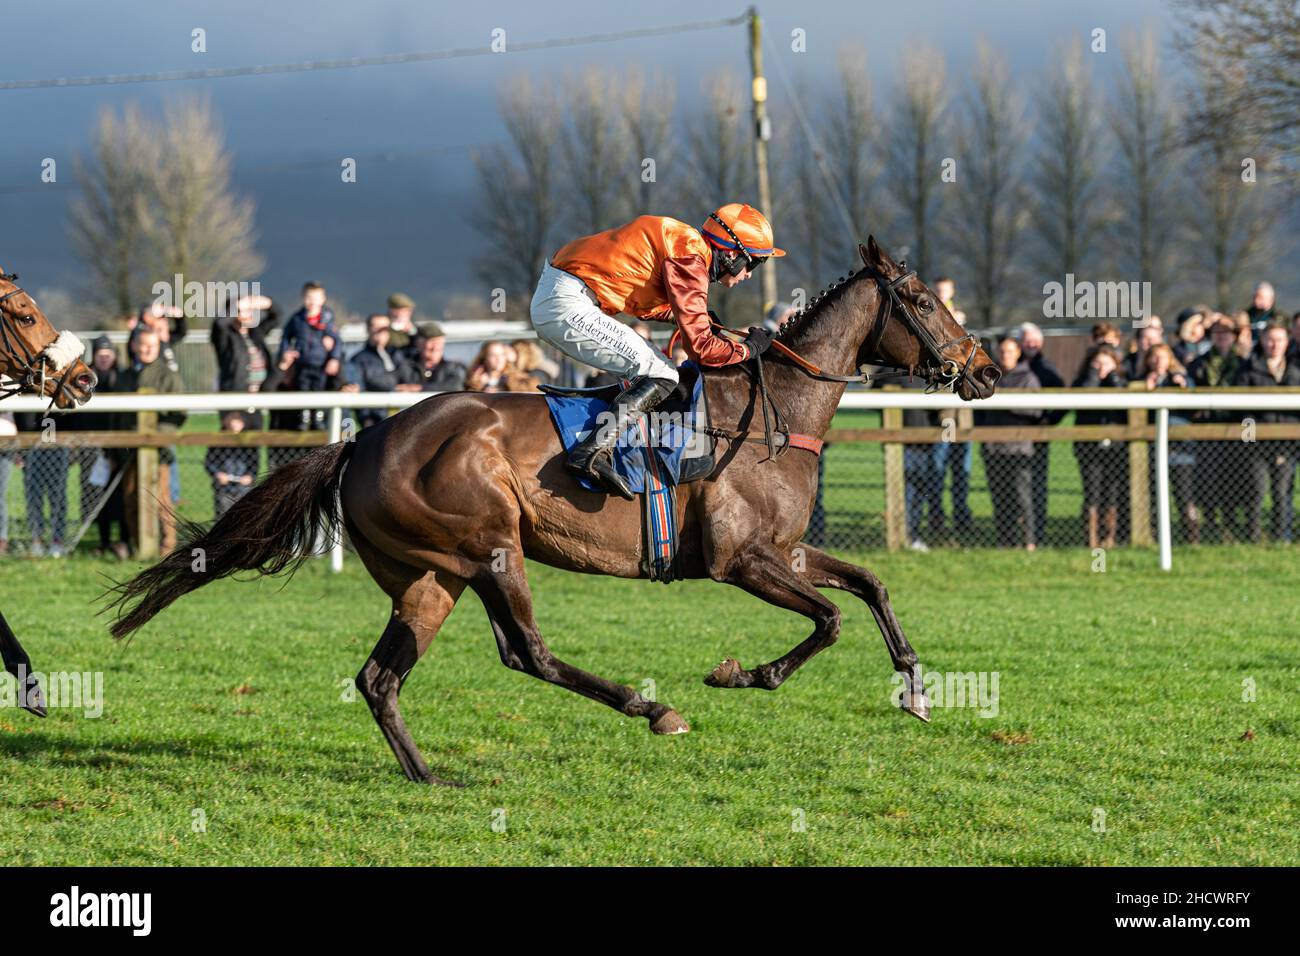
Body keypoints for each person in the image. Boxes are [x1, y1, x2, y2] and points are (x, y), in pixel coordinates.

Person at [530, 204, 781, 498]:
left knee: (659, 370)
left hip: (565, 296)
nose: (750, 274)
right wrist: (749, 349)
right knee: (662, 373)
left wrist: (696, 318)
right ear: (731, 254)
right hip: (568, 303)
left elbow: (643, 304)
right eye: (753, 263)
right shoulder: (689, 254)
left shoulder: (685, 244)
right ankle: (591, 453)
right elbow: (703, 350)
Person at [119, 329, 186, 555]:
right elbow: (117, 416)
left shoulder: (168, 376)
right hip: (129, 450)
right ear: (135, 346)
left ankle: (167, 547)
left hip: (159, 450)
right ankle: (141, 546)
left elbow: (179, 413)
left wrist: (157, 436)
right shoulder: (125, 376)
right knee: (130, 498)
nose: (147, 349)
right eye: (143, 345)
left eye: (152, 346)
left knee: (161, 501)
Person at [1233, 324, 1300, 542]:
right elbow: (1242, 408)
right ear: (1262, 341)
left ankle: (1282, 537)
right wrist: (1249, 439)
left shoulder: (1295, 368)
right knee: (1256, 491)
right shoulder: (1249, 368)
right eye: (1270, 339)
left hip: (1288, 442)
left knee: (1283, 492)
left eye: (1279, 340)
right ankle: (1252, 536)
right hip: (1257, 442)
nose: (1274, 345)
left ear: (1287, 342)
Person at [976, 337, 1043, 550]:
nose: (1006, 355)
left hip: (1019, 449)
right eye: (1003, 351)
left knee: (1023, 498)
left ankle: (1029, 541)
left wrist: (1005, 403)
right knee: (1000, 498)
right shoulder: (990, 376)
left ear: (1018, 353)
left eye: (1010, 351)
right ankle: (1005, 541)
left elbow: (1035, 410)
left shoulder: (1028, 378)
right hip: (994, 448)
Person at [1190, 315, 1247, 541]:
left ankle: (1230, 519)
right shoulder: (1200, 362)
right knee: (1207, 476)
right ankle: (1210, 520)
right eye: (1217, 334)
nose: (1222, 338)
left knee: (1232, 475)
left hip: (1234, 427)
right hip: (1207, 427)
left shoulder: (1243, 362)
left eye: (1226, 334)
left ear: (1233, 338)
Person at [1072, 343, 1128, 549]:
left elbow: (1125, 408)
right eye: (1097, 363)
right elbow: (1081, 401)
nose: (1101, 367)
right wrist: (1093, 378)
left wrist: (1114, 380)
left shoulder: (1121, 382)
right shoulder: (1083, 381)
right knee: (1092, 492)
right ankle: (1092, 538)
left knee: (1112, 492)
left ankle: (1109, 537)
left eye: (1106, 363)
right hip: (1089, 447)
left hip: (1115, 446)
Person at [1141, 343, 1198, 543]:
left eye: (1163, 357)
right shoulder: (1142, 381)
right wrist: (1144, 390)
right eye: (1154, 357)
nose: (1158, 362)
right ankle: (1153, 536)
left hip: (1180, 447)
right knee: (1154, 497)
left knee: (1185, 496)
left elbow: (1195, 405)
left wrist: (1184, 387)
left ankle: (1192, 537)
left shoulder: (1180, 378)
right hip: (1151, 447)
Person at [1018, 323, 1064, 545]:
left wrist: (1048, 422)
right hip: (1010, 437)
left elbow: (1064, 400)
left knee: (1036, 486)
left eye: (1034, 340)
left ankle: (1037, 533)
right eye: (1027, 340)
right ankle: (1017, 535)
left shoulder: (1047, 369)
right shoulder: (1011, 365)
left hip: (1036, 439)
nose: (1031, 344)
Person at [350, 313, 416, 428]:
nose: (381, 331)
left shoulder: (398, 354)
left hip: (406, 417)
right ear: (368, 330)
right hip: (377, 420)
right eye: (377, 327)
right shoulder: (358, 359)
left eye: (385, 328)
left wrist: (411, 332)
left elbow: (410, 376)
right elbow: (359, 390)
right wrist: (366, 419)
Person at [205, 412, 259, 519]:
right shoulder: (217, 443)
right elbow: (209, 462)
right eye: (231, 423)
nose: (234, 426)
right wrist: (218, 474)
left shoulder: (249, 443)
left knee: (243, 517)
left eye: (238, 422)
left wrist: (250, 476)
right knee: (222, 517)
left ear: (243, 424)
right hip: (224, 488)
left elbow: (254, 464)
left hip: (243, 488)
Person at [400, 322, 466, 392]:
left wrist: (419, 388)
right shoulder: (408, 367)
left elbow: (456, 386)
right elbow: (390, 381)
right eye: (431, 342)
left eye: (439, 342)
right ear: (418, 344)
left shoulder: (452, 368)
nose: (435, 347)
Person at [465, 340, 535, 393]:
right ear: (485, 358)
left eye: (501, 355)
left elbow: (530, 393)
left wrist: (504, 390)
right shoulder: (475, 378)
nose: (498, 359)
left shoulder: (515, 376)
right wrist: (479, 388)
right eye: (493, 355)